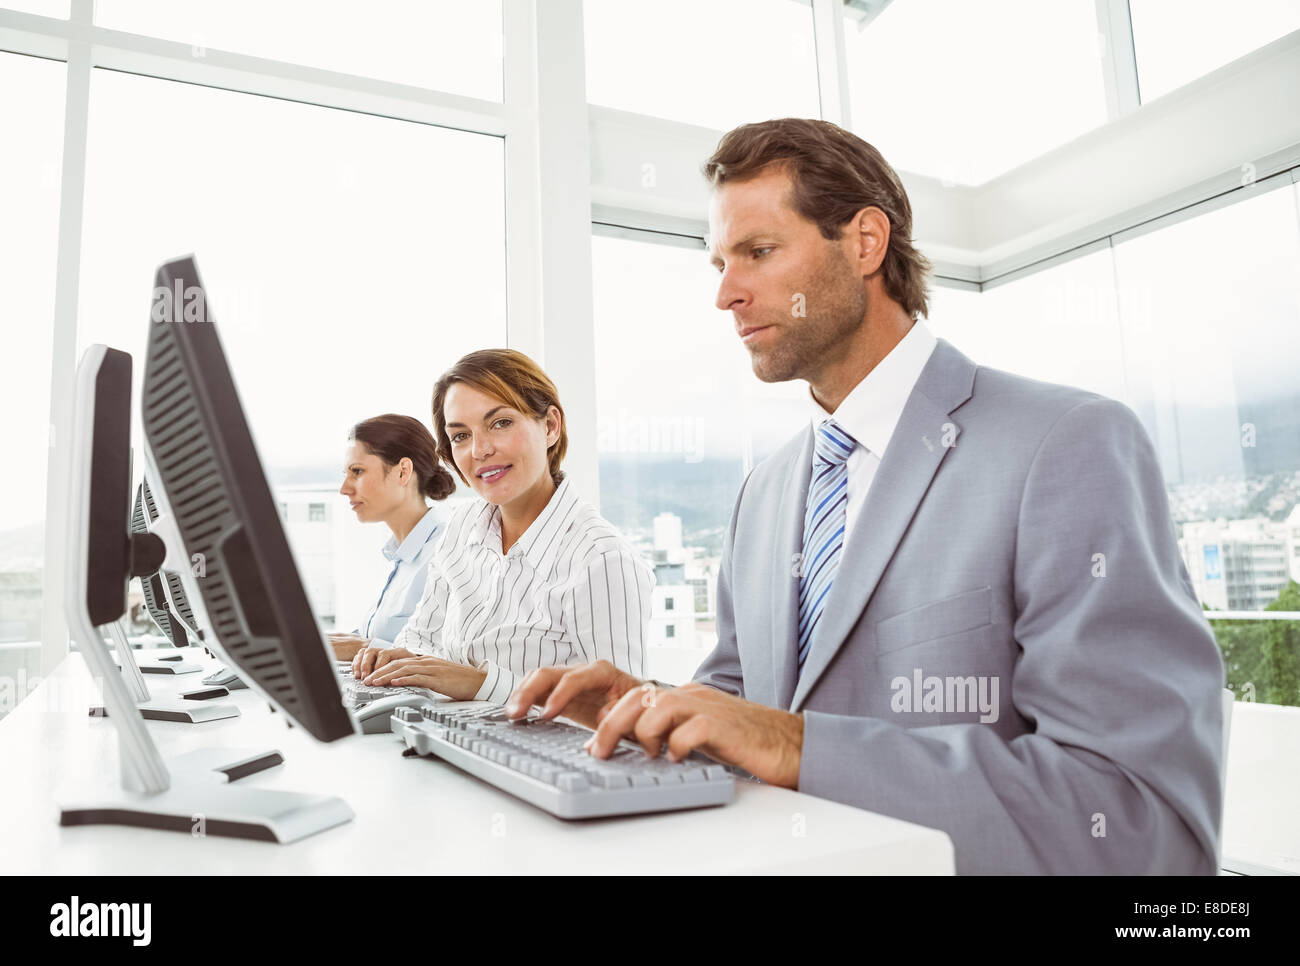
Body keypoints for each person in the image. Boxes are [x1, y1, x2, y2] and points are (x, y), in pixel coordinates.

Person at [506, 118, 1225, 875]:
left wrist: (794, 745)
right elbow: (740, 702)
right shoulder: (767, 491)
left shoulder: (1067, 444)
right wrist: (649, 707)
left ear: (865, 243)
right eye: (719, 262)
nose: (724, 293)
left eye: (757, 252)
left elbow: (1140, 822)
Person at [351, 348, 654, 702]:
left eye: (500, 423)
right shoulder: (461, 528)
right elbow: (420, 638)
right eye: (461, 435)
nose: (479, 450)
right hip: (438, 739)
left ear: (551, 426)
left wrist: (482, 684)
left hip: (535, 756)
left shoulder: (602, 559)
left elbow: (621, 712)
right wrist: (393, 659)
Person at [328, 414, 456, 661]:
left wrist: (359, 648)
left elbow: (447, 658)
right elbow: (384, 638)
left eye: (357, 471)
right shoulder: (401, 557)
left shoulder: (446, 550)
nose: (344, 488)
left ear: (403, 472)